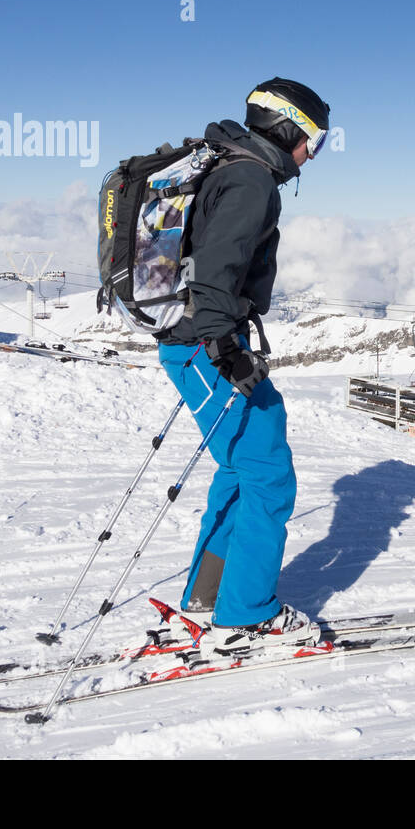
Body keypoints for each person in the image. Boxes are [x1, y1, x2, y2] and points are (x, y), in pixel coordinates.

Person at [155, 77, 331, 657]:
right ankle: (246, 616)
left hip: (193, 342)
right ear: (287, 129)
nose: (313, 154)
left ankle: (207, 598)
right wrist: (227, 351)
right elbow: (217, 268)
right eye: (315, 139)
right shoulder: (252, 180)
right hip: (208, 346)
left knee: (240, 467)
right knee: (269, 477)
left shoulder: (228, 164)